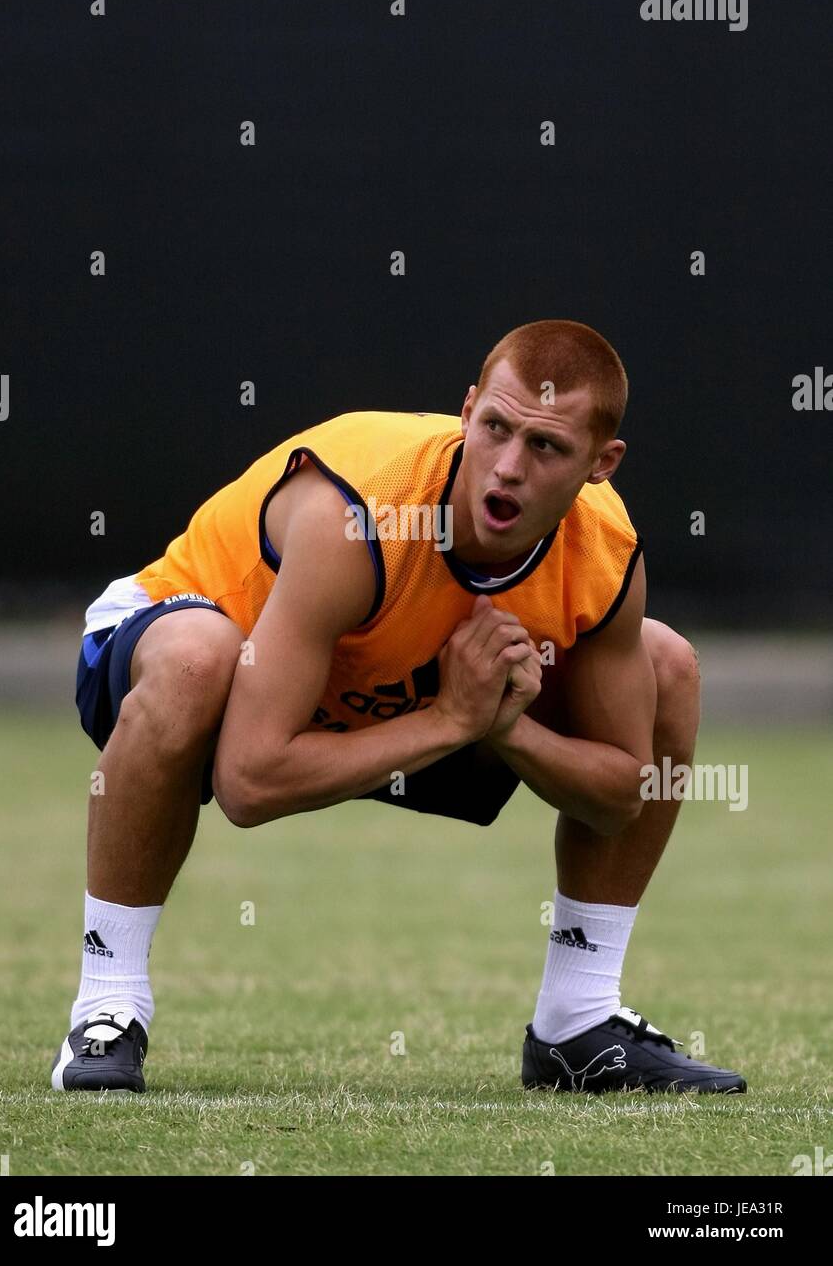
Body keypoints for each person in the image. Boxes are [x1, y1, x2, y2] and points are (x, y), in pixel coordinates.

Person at [53, 319, 746, 1095]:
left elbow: (622, 793)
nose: (508, 467)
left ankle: (577, 1021)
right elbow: (247, 783)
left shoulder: (606, 551)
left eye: (545, 447)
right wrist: (450, 722)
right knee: (193, 660)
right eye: (494, 428)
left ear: (600, 463)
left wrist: (503, 725)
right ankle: (108, 1007)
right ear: (467, 408)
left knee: (668, 663)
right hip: (204, 650)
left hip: (389, 691)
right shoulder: (362, 512)